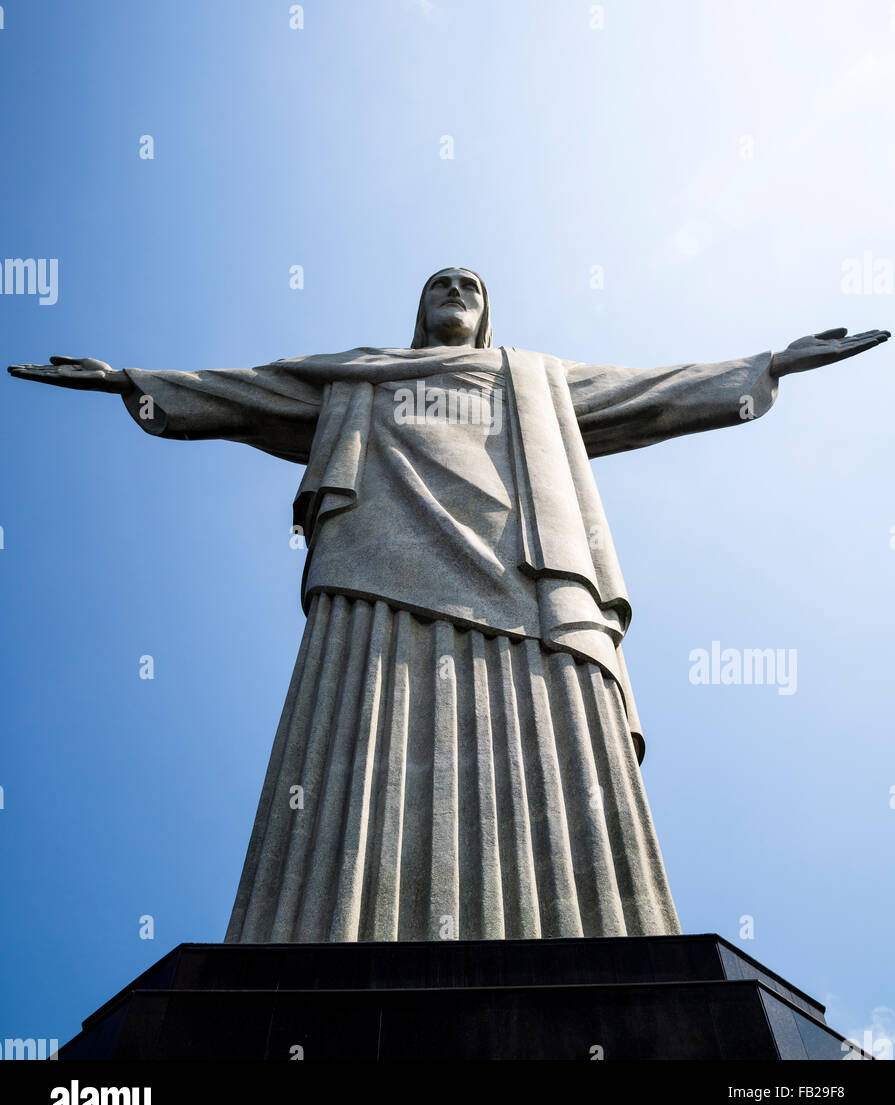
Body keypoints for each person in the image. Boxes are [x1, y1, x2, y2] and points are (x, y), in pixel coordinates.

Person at [9, 269, 888, 944]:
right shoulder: (357, 375)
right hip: (375, 581)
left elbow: (647, 392)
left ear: (487, 312)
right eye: (440, 285)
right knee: (358, 741)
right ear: (419, 310)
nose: (456, 294)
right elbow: (244, 392)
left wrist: (764, 367)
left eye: (470, 285)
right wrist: (132, 380)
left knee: (556, 742)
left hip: (531, 575)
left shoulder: (534, 377)